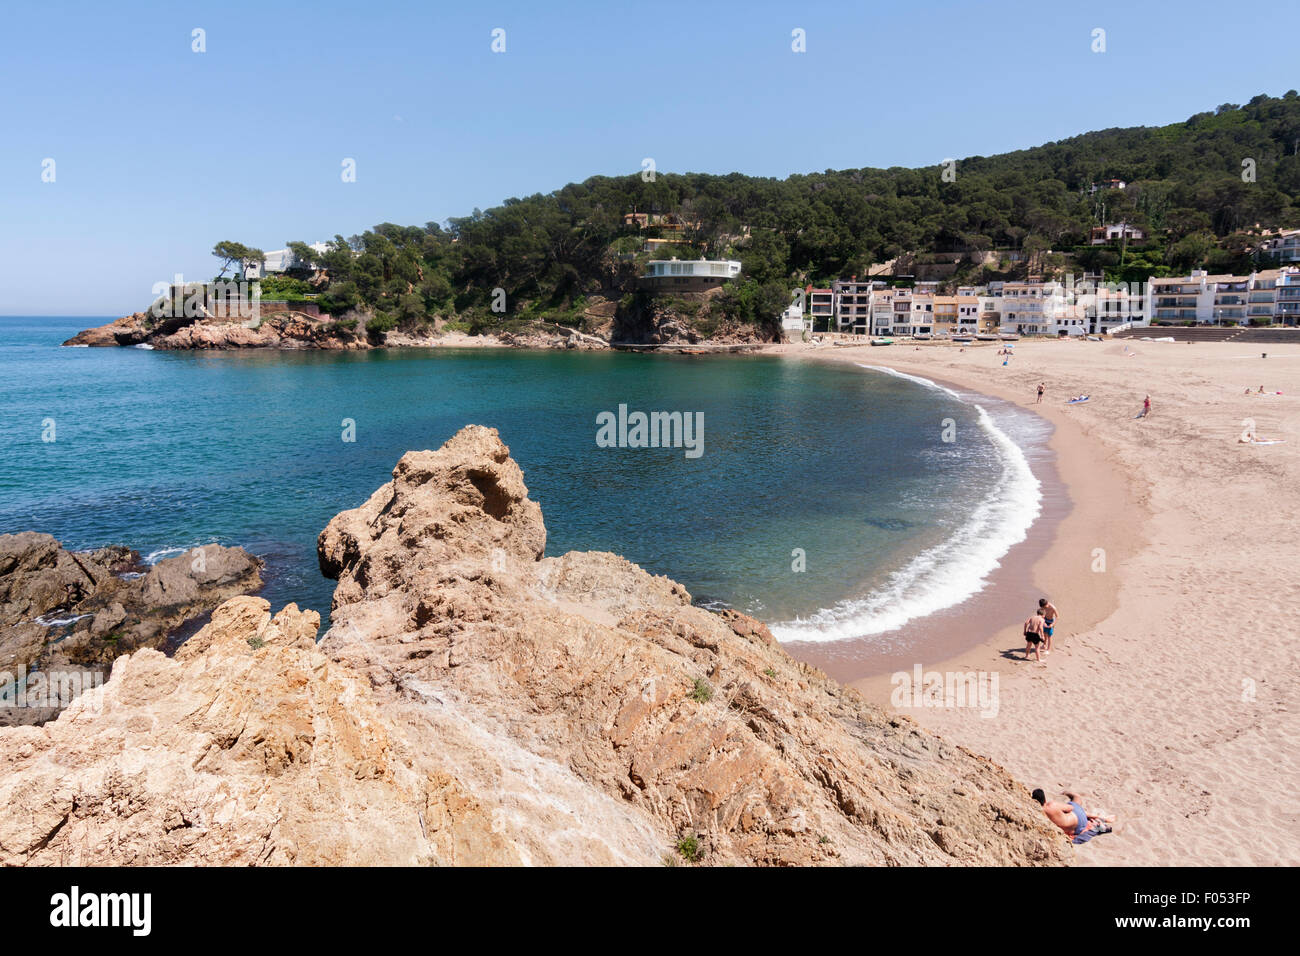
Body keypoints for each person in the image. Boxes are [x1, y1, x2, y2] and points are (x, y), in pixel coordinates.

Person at [1032, 789, 1116, 844]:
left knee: (1075, 811)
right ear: (1045, 799)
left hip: (1076, 829)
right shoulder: (1051, 805)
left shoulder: (1035, 813)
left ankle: (1101, 818)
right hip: (1080, 820)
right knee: (1076, 800)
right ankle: (1068, 793)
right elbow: (1071, 808)